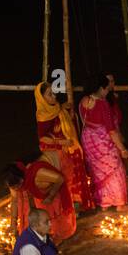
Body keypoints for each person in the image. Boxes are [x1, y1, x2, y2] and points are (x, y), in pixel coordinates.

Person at [78, 74, 128, 210]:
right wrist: (122, 149)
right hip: (102, 141)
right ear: (102, 88)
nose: (108, 91)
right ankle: (119, 203)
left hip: (88, 139)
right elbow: (111, 131)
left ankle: (104, 204)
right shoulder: (102, 104)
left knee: (98, 171)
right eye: (107, 88)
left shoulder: (83, 101)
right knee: (115, 169)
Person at [35, 80, 91, 209]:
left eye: (54, 93)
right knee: (66, 167)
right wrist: (61, 142)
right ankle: (66, 204)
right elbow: (42, 138)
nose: (54, 96)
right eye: (49, 94)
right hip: (53, 147)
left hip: (66, 143)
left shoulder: (57, 108)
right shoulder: (43, 115)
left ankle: (77, 203)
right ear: (41, 98)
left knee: (76, 153)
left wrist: (66, 112)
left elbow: (64, 120)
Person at [4, 157, 75, 243]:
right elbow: (15, 200)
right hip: (43, 195)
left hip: (56, 189)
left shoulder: (37, 173)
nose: (15, 189)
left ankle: (56, 235)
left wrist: (50, 196)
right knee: (42, 214)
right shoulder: (16, 182)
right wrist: (13, 224)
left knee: (57, 220)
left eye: (16, 186)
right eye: (13, 187)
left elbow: (60, 179)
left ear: (21, 178)